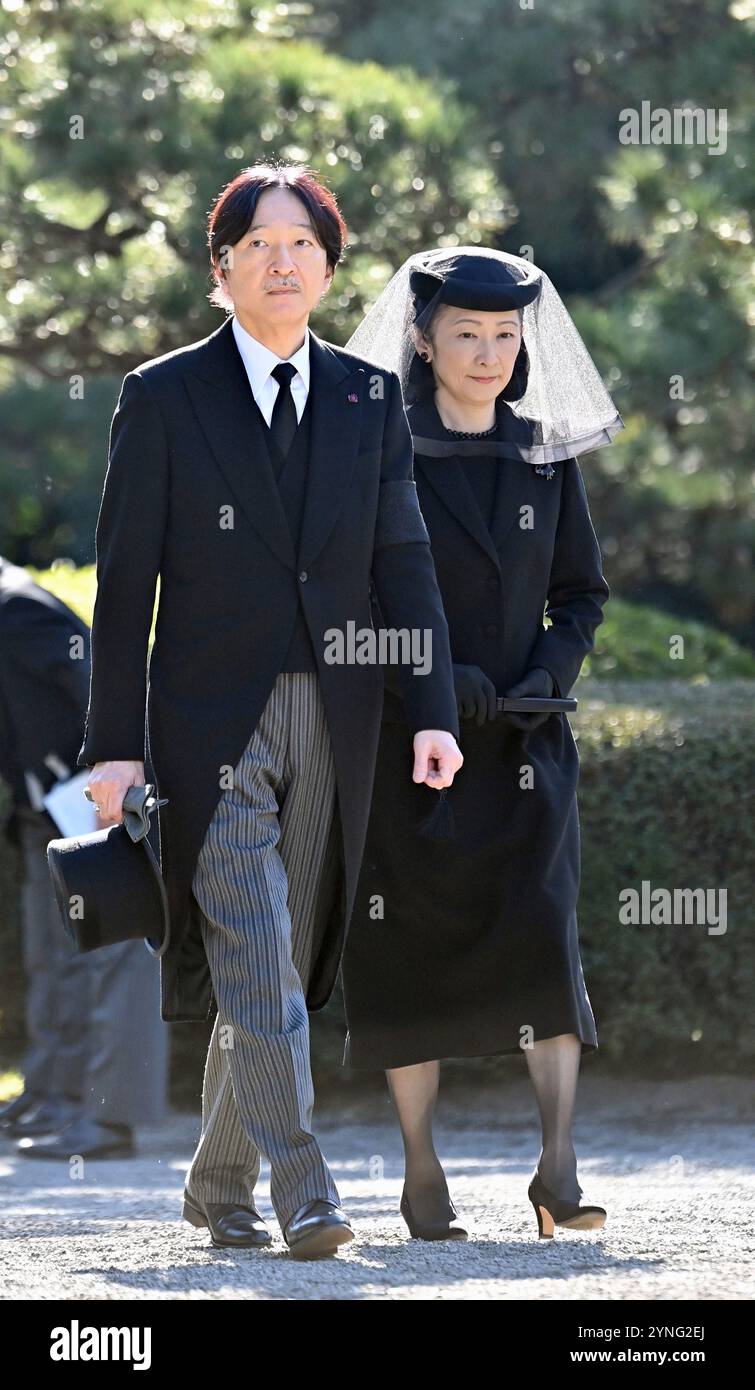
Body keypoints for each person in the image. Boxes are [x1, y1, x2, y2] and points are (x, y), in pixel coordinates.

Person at [77, 165, 463, 1259]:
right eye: (258, 244)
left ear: (330, 269)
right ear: (221, 269)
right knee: (254, 957)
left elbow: (404, 558)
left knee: (273, 976)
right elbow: (122, 586)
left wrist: (429, 708)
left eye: (302, 245)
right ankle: (307, 1189)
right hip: (208, 728)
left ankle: (216, 1187)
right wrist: (112, 747)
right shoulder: (162, 396)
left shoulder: (368, 396)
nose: (281, 261)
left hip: (336, 715)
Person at [341, 247, 623, 1240]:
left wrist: (544, 678)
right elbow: (352, 599)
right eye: (465, 332)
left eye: (505, 335)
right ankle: (421, 1171)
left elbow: (579, 593)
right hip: (407, 749)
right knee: (406, 948)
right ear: (422, 338)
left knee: (544, 939)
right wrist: (430, 680)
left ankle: (557, 1163)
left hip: (526, 741)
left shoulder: (543, 454)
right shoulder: (380, 449)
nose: (488, 352)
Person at [0, 557, 168, 1157]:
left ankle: (110, 1119)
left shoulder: (17, 607)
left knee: (118, 955)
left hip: (98, 802)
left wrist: (115, 775)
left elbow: (98, 682)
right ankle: (58, 1096)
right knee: (57, 958)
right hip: (51, 807)